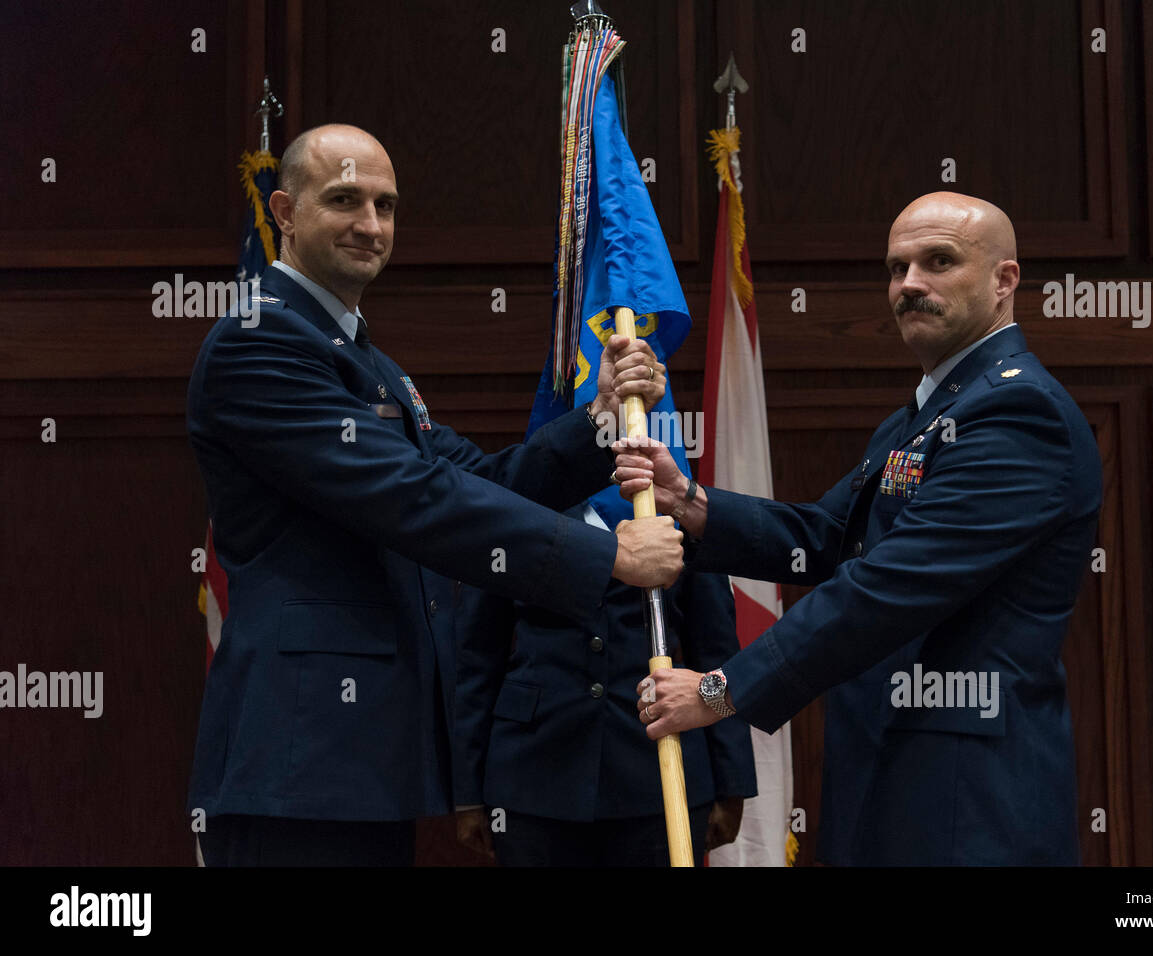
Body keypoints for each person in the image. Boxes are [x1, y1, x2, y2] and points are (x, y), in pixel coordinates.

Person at [187, 123, 683, 866]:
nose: (371, 225)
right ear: (284, 213)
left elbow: (473, 483)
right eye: (345, 200)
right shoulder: (258, 341)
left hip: (356, 756)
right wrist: (606, 556)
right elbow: (412, 498)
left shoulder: (365, 358)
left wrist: (601, 419)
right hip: (299, 754)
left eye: (386, 206)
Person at [616, 192, 1102, 865]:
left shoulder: (1020, 414)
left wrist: (717, 691)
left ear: (1004, 280)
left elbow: (887, 586)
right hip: (890, 769)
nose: (910, 285)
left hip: (968, 797)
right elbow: (827, 535)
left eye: (938, 262)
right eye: (896, 268)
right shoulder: (927, 414)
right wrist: (692, 501)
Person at [453, 498, 757, 867]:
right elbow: (478, 656)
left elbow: (716, 654)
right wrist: (467, 793)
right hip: (532, 776)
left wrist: (732, 786)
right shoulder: (516, 504)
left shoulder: (676, 515)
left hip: (660, 775)